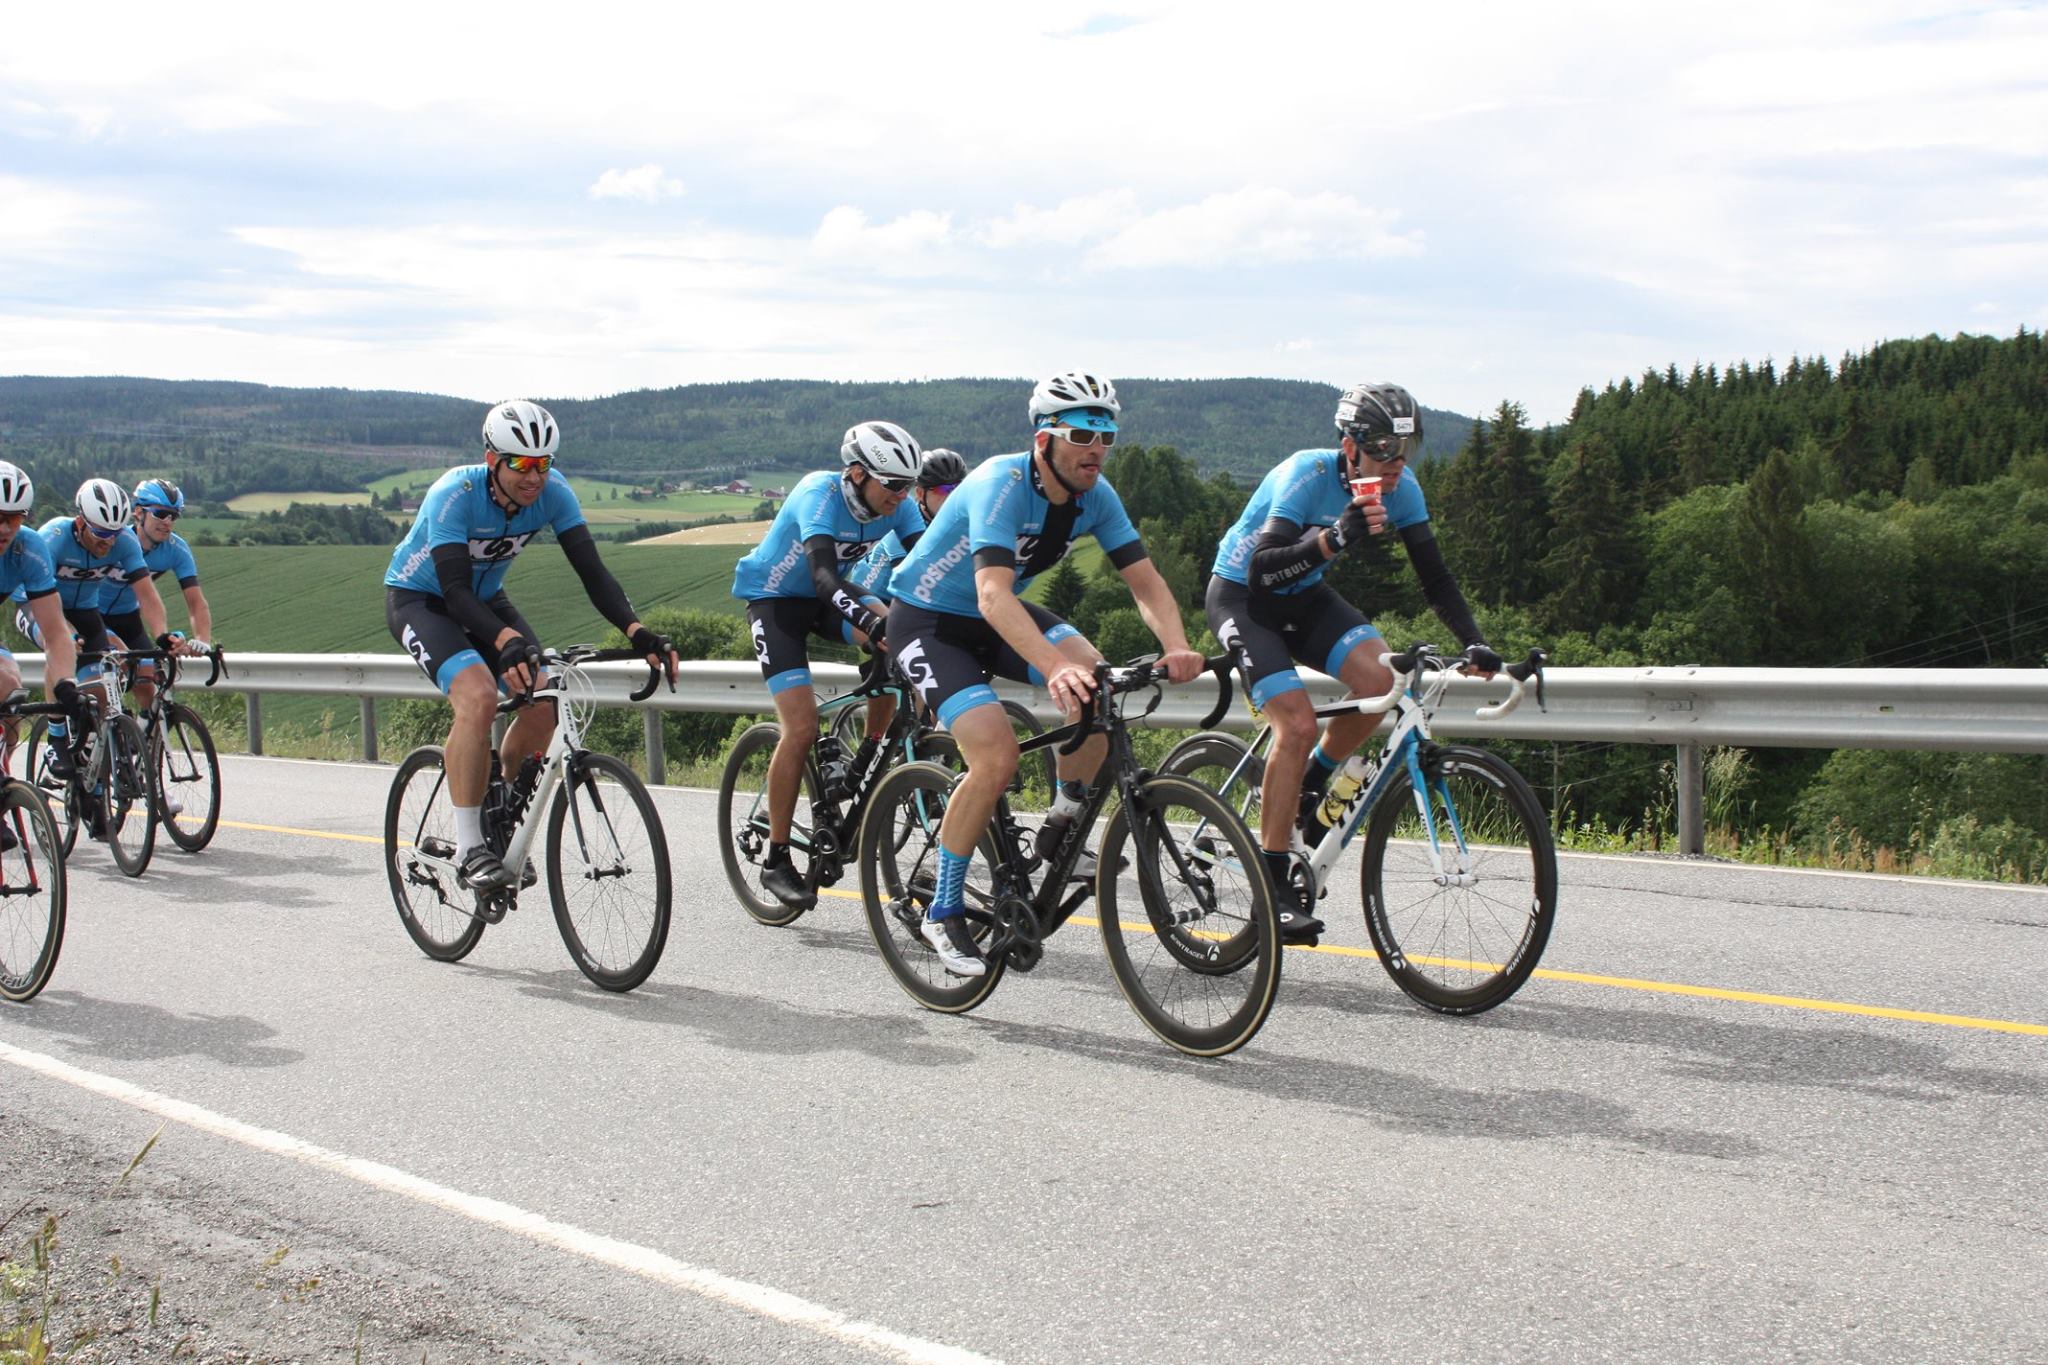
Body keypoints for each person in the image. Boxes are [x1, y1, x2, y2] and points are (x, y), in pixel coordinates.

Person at [885, 372, 1204, 977]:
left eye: (1107, 435)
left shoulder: (1097, 496)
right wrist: (1053, 667)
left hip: (996, 614)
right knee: (997, 758)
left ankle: (1060, 824)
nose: (1097, 448)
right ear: (1043, 439)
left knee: (1099, 687)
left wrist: (1177, 643)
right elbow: (990, 593)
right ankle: (943, 910)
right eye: (1082, 433)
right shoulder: (1000, 485)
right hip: (930, 622)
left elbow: (1147, 583)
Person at [1207, 381, 1500, 943]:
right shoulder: (1308, 474)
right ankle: (1271, 885)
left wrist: (1474, 641)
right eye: (1384, 451)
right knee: (1293, 723)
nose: (1395, 466)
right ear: (1351, 447)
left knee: (1381, 680)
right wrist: (1336, 537)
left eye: (1405, 452)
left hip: (1304, 598)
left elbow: (1435, 578)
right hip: (1244, 598)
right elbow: (1263, 569)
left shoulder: (1402, 489)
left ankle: (1309, 785)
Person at [384, 399, 679, 892]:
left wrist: (637, 632)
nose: (533, 477)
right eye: (520, 463)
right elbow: (453, 591)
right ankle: (470, 845)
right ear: (491, 460)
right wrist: (504, 641)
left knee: (542, 700)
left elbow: (593, 572)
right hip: (423, 600)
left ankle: (498, 810)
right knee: (477, 698)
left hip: (485, 599)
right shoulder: (453, 495)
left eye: (543, 464)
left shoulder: (554, 495)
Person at [730, 421, 931, 911]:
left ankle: (865, 757)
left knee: (902, 641)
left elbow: (930, 561)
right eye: (893, 485)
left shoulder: (896, 507)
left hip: (825, 600)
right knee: (799, 727)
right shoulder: (818, 495)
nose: (902, 497)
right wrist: (873, 621)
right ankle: (776, 857)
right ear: (858, 474)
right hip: (775, 602)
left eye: (909, 486)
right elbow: (822, 576)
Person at [16, 479, 173, 777]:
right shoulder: (53, 538)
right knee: (58, 644)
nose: (109, 542)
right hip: (36, 604)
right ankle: (56, 737)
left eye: (115, 533)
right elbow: (44, 606)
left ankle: (93, 767)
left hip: (86, 611)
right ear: (80, 523)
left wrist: (162, 634)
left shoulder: (124, 541)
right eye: (101, 533)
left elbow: (147, 595)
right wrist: (63, 632)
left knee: (100, 690)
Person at [840, 446, 966, 767]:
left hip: (914, 606)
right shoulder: (904, 536)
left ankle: (925, 759)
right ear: (921, 494)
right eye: (944, 490)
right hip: (876, 604)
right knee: (914, 673)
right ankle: (870, 753)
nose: (953, 496)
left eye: (959, 489)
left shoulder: (952, 525)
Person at [0, 462, 87, 801]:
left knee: (10, 687)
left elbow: (54, 633)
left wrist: (66, 683)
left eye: (15, 517)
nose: (6, 528)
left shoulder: (28, 549)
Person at [99, 479, 211, 720]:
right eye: (160, 514)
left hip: (127, 616)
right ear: (138, 512)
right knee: (118, 663)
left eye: (173, 516)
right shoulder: (114, 541)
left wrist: (202, 639)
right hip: (93, 614)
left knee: (147, 679)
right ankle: (98, 731)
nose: (167, 522)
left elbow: (196, 602)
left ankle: (138, 742)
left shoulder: (176, 549)